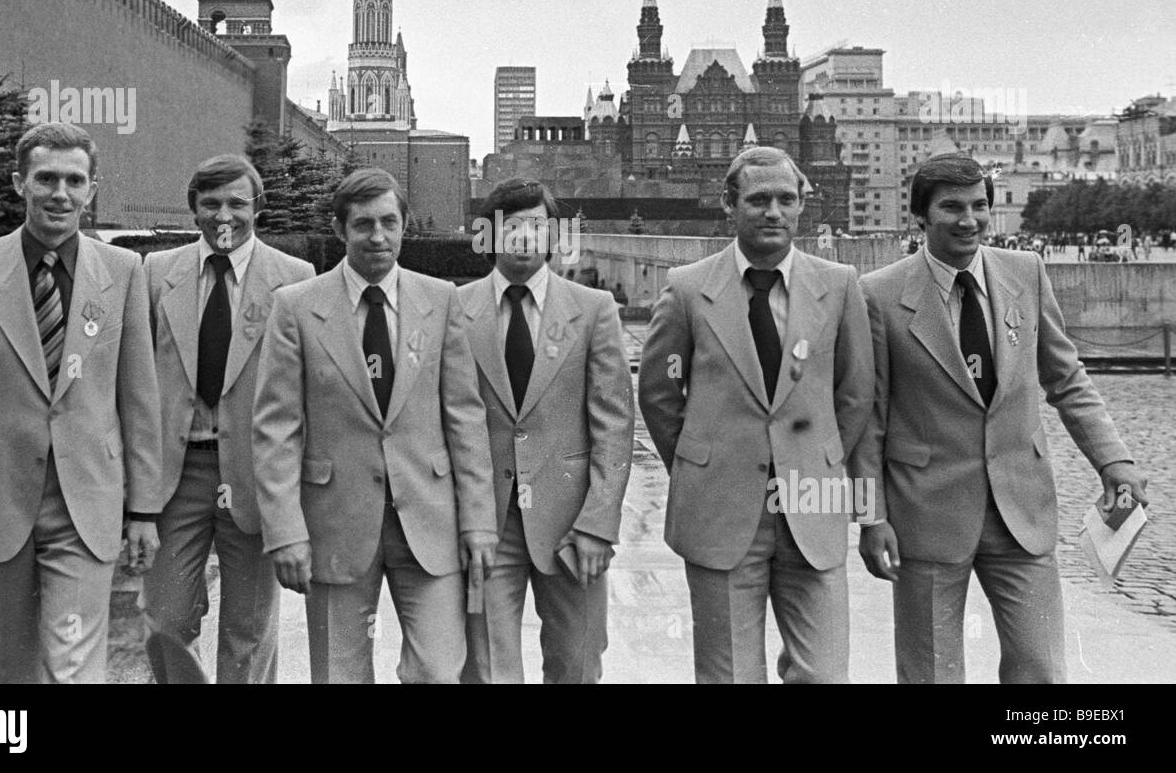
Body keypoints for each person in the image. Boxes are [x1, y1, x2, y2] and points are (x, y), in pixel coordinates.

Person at [853, 154, 1149, 683]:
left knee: (1040, 669)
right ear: (920, 216)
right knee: (932, 673)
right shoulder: (877, 294)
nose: (969, 220)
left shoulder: (1026, 272)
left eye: (979, 206)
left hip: (1022, 508)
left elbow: (1066, 378)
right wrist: (871, 517)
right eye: (951, 207)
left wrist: (1114, 461)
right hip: (926, 512)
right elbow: (867, 419)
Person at [0, 122, 161, 683]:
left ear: (92, 189)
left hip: (86, 504)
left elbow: (139, 397)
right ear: (19, 182)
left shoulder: (123, 272)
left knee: (73, 668)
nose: (60, 193)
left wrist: (144, 509)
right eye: (46, 178)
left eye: (75, 180)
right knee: (11, 671)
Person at [252, 168, 498, 683]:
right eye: (364, 224)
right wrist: (285, 530)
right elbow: (276, 429)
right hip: (334, 524)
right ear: (341, 230)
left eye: (390, 222)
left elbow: (465, 419)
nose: (378, 236)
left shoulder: (441, 300)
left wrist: (478, 521)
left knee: (436, 669)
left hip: (428, 523)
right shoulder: (296, 307)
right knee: (339, 675)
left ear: (405, 226)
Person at [638, 147, 874, 683]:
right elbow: (659, 394)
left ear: (801, 207)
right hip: (720, 509)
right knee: (730, 676)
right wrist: (704, 462)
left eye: (786, 200)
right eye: (759, 199)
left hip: (813, 504)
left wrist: (820, 458)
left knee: (824, 674)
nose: (773, 212)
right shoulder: (687, 288)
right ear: (730, 205)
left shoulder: (838, 286)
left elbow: (856, 394)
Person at [141, 155, 315, 683]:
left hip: (256, 474)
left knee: (250, 631)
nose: (225, 215)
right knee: (164, 621)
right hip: (179, 474)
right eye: (211, 202)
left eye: (237, 203)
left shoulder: (294, 279)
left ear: (256, 208)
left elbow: (304, 393)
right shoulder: (155, 273)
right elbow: (137, 378)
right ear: (193, 208)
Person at [458, 178, 633, 683]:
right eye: (509, 227)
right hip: (486, 525)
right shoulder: (455, 310)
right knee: (487, 668)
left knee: (577, 663)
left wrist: (599, 523)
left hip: (572, 522)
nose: (523, 238)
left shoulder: (593, 310)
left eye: (536, 226)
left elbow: (615, 425)